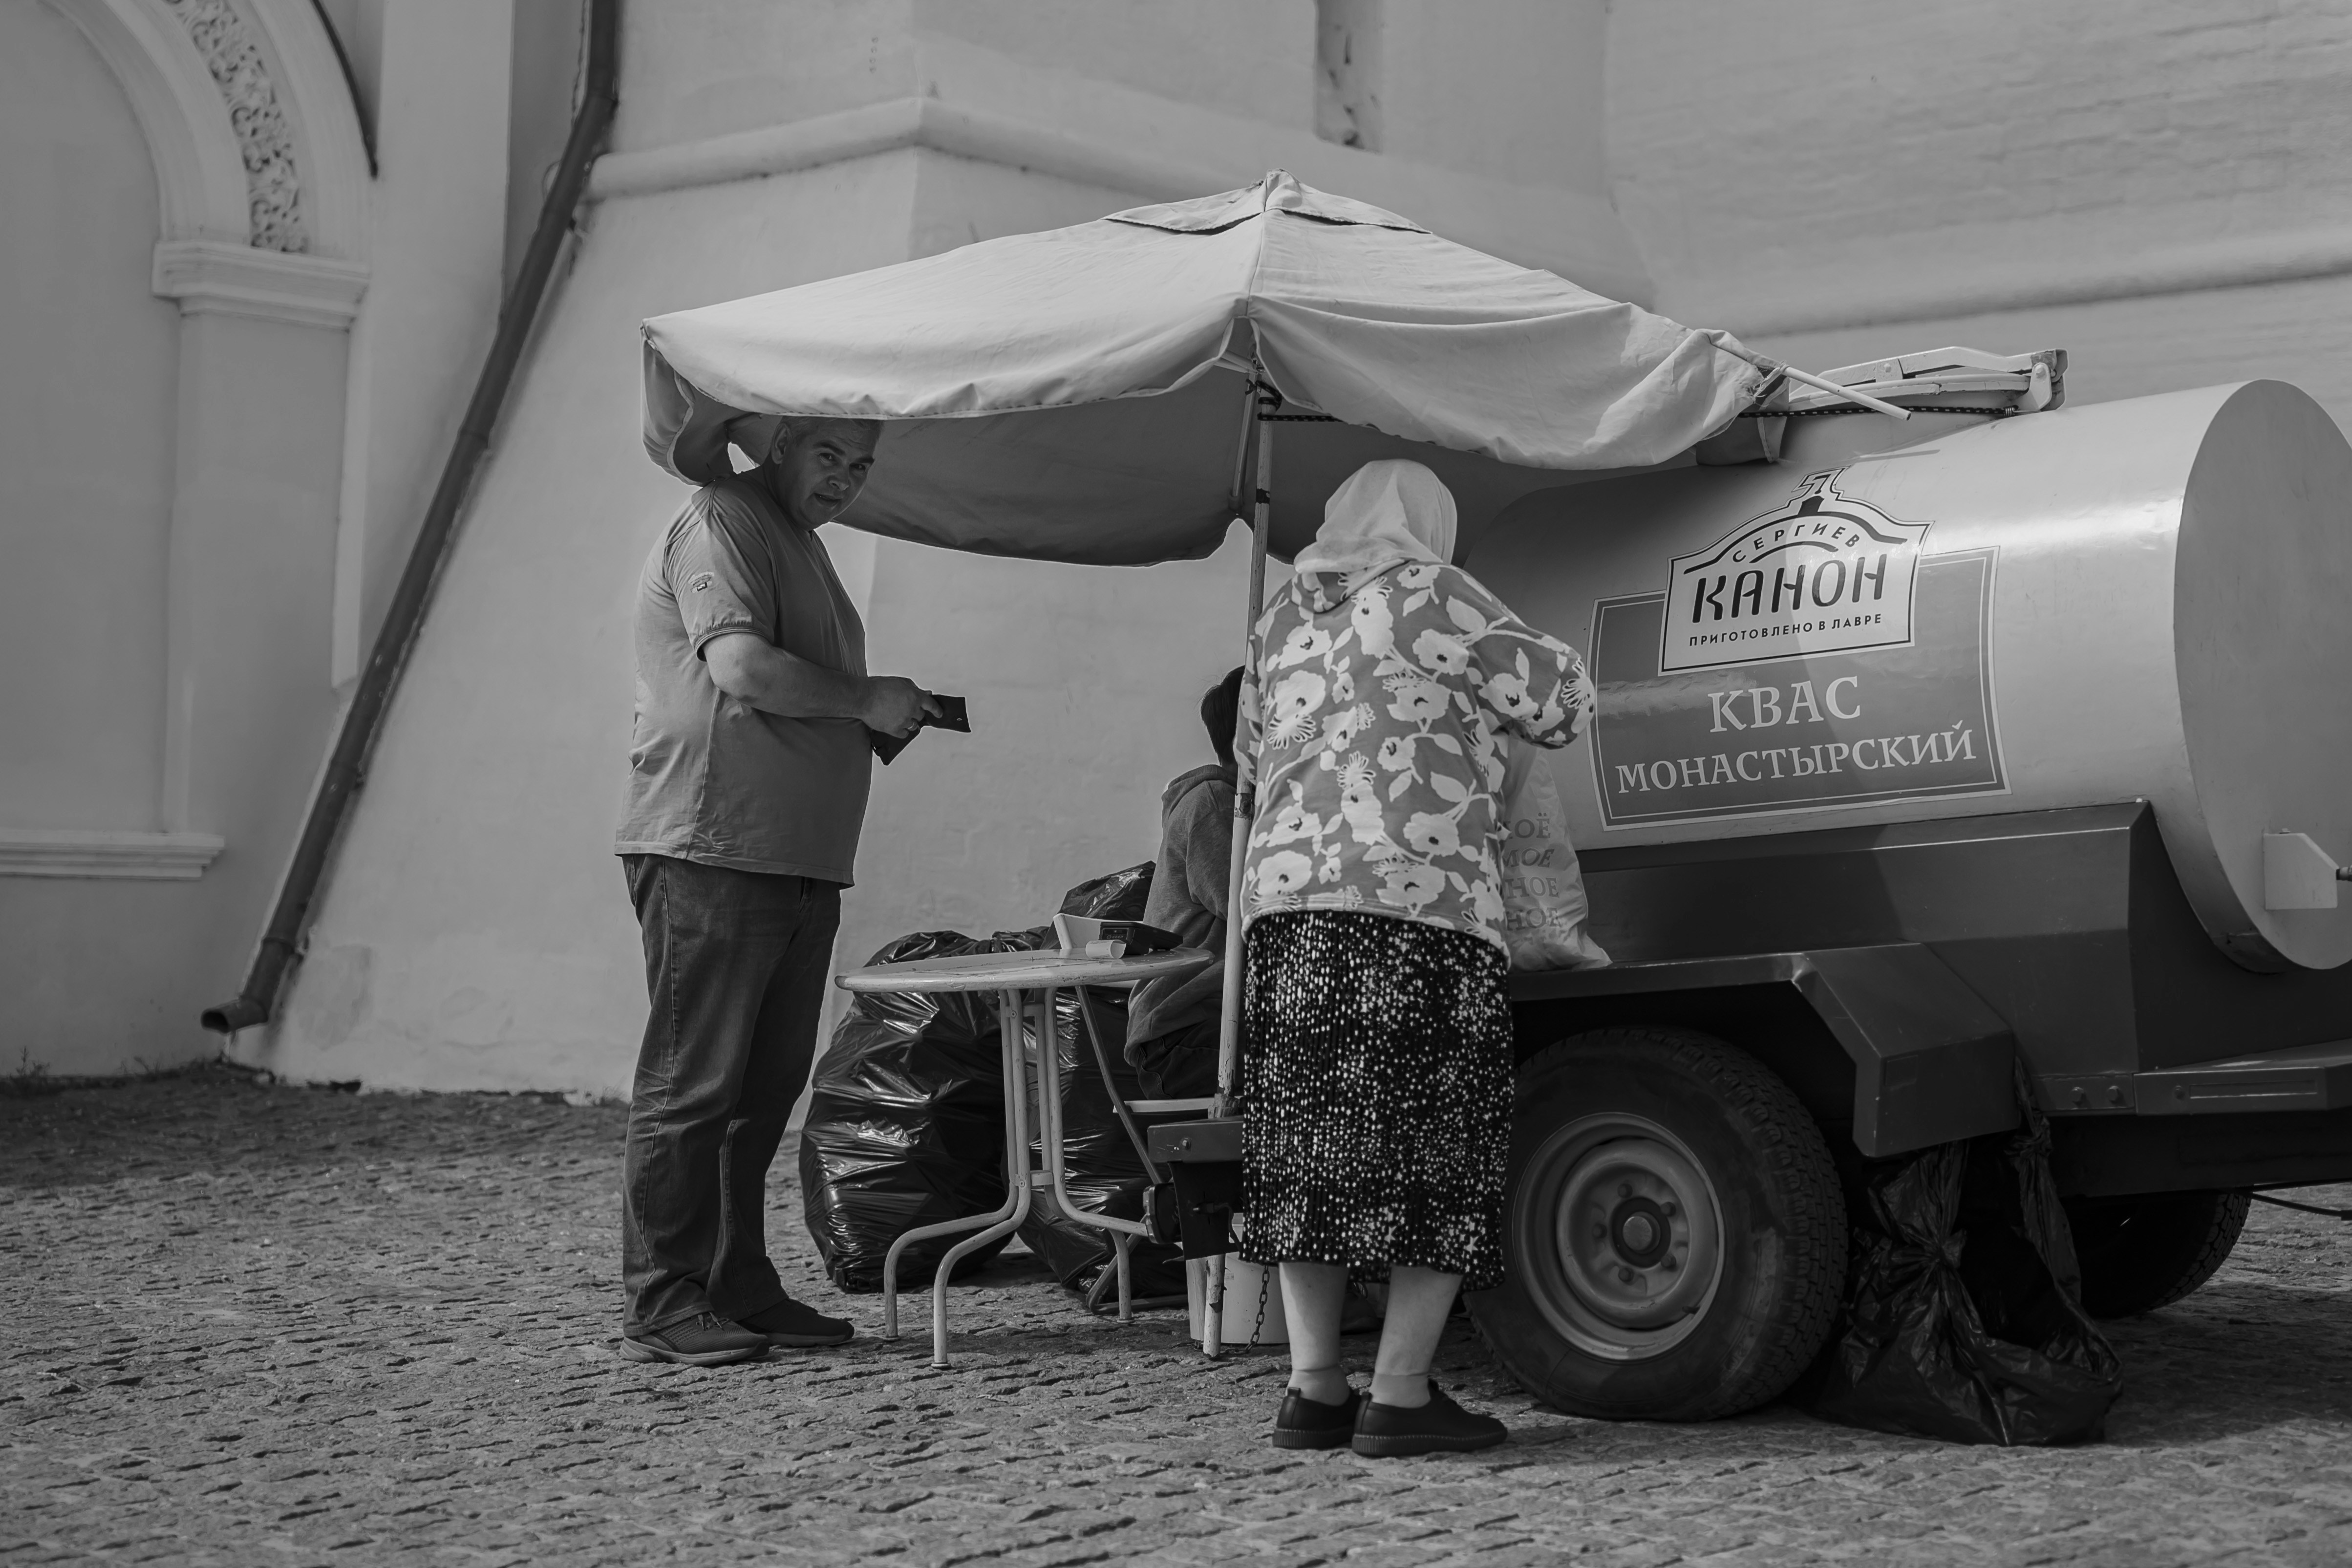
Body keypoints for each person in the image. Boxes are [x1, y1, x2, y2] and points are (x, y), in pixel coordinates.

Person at [1235, 459, 1596, 1456]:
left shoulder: (1275, 620)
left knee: (1308, 1149)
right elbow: (1564, 701)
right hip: (1415, 909)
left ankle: (1313, 1387)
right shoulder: (1433, 590)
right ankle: (1398, 1392)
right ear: (1425, 525)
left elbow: (1248, 758)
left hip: (1286, 911)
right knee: (1436, 1142)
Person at [613, 412, 940, 1366]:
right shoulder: (725, 516)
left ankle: (735, 1283)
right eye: (828, 454)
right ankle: (662, 1298)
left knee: (759, 1094)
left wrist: (874, 712)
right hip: (715, 844)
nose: (845, 477)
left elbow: (795, 684)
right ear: (783, 441)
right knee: (693, 1084)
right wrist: (865, 697)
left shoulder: (796, 537)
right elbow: (741, 667)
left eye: (861, 464)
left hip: (796, 855)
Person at [1122, 666, 1244, 1101]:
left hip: (1205, 1022)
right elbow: (1254, 915)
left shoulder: (1233, 803)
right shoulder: (1215, 804)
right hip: (1184, 1036)